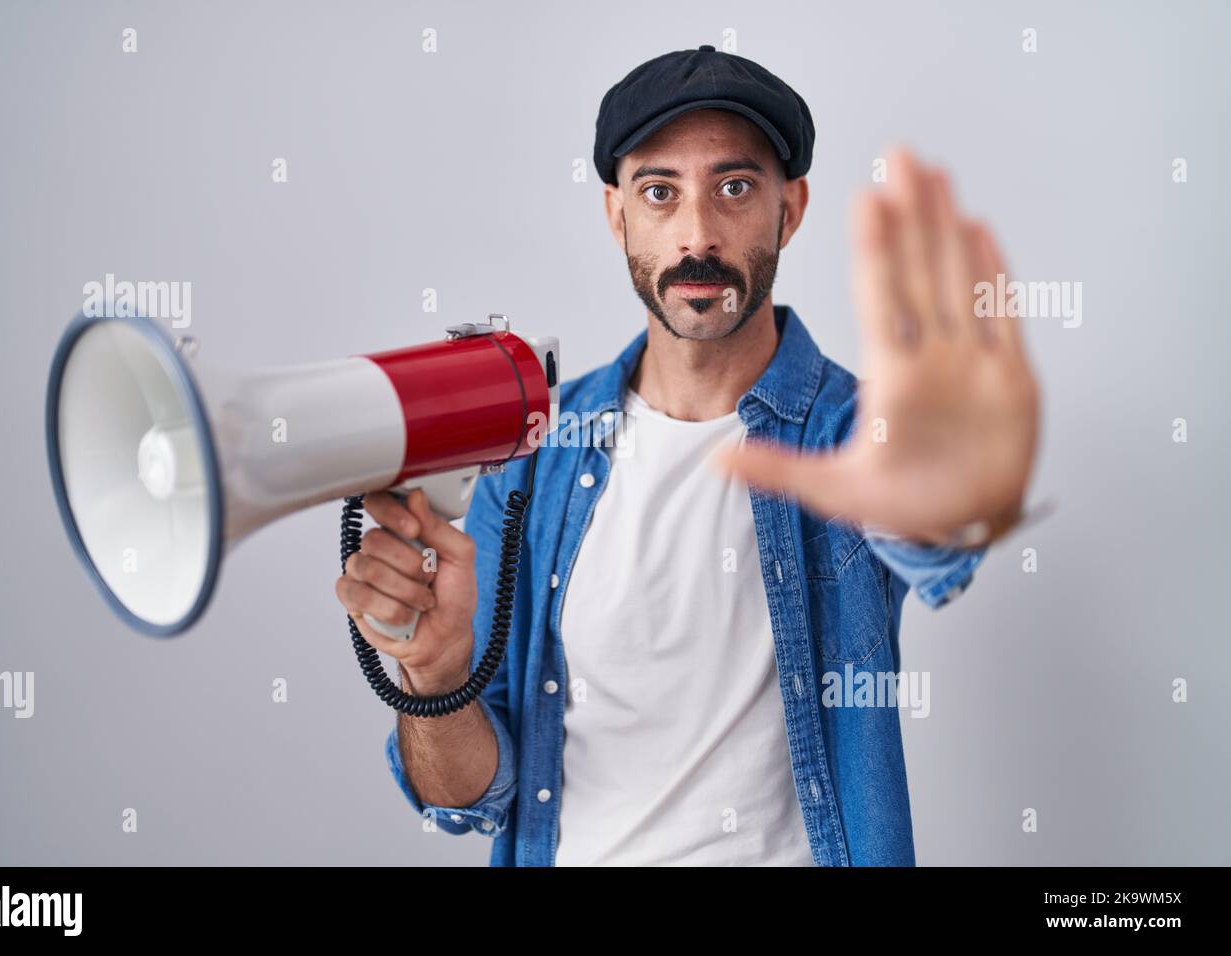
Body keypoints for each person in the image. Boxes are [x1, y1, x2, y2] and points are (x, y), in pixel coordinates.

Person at [335, 45, 1039, 866]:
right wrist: (432, 676)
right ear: (617, 214)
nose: (696, 235)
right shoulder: (532, 455)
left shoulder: (850, 432)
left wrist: (962, 483)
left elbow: (930, 531)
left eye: (734, 189)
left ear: (791, 208)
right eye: (660, 193)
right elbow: (471, 798)